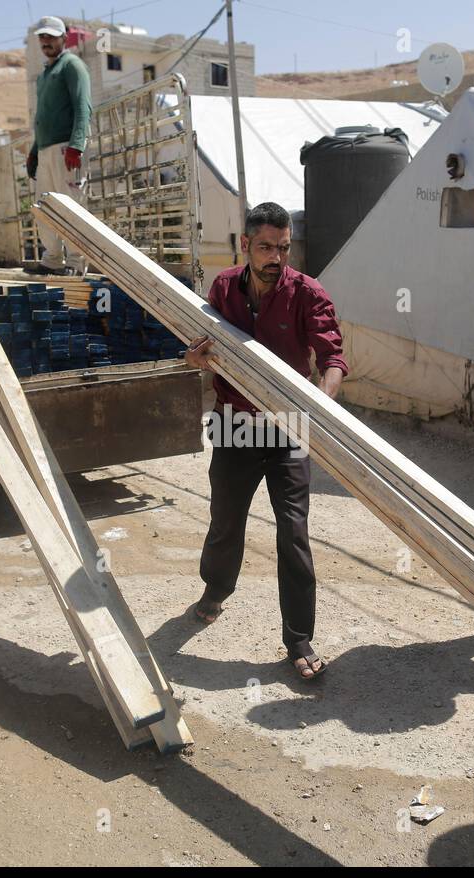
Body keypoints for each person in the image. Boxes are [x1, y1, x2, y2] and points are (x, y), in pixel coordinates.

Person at [184, 202, 348, 680]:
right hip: (234, 426)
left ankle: (298, 637)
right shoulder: (222, 287)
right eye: (265, 248)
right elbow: (203, 346)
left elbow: (332, 356)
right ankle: (215, 590)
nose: (275, 257)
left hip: (287, 430)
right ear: (245, 246)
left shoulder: (307, 293)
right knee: (225, 518)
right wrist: (197, 360)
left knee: (292, 530)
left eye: (283, 247)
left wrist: (323, 400)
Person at [25, 15, 91, 275]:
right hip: (46, 150)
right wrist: (34, 152)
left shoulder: (72, 66)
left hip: (66, 148)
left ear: (64, 38)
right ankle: (52, 259)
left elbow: (82, 106)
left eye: (51, 36)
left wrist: (76, 144)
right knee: (46, 206)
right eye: (42, 37)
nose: (46, 41)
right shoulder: (44, 74)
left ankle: (76, 262)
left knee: (72, 205)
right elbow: (43, 116)